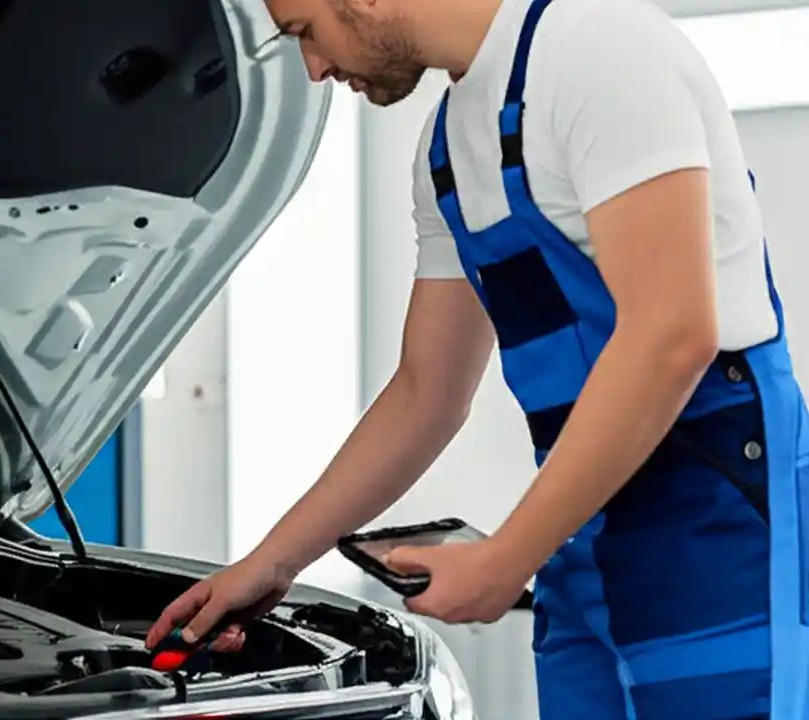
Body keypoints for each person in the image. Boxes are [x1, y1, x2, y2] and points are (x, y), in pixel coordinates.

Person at [144, 0, 809, 717]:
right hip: (579, 540)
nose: (314, 67)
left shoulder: (599, 51)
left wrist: (506, 558)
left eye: (306, 30)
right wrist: (271, 562)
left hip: (717, 529)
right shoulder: (446, 150)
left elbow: (672, 334)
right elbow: (427, 390)